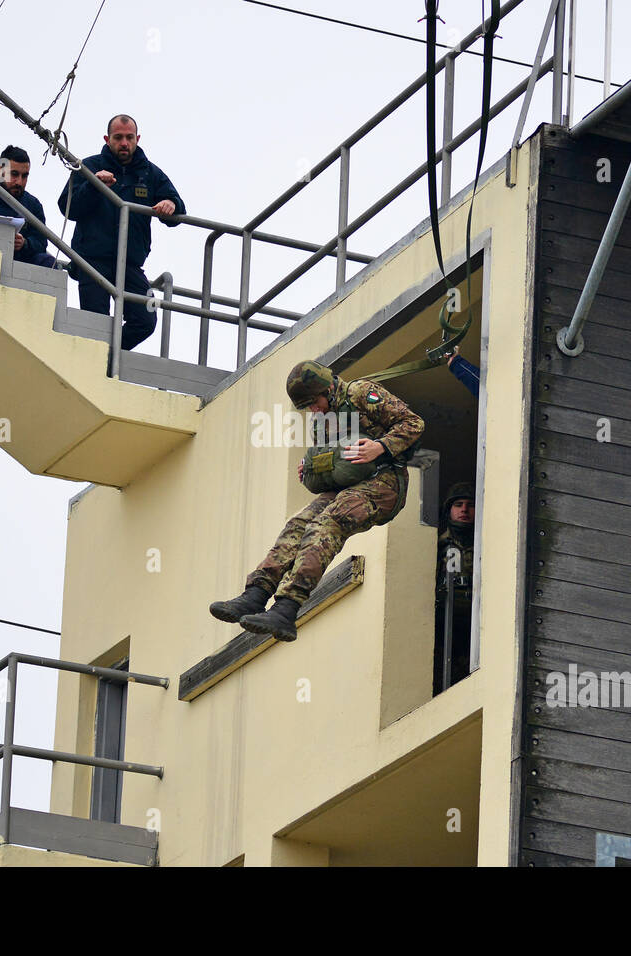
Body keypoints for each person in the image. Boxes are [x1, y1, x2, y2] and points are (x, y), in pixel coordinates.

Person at [209, 361, 425, 642]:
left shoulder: (362, 394)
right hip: (345, 486)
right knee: (298, 525)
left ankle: (287, 607)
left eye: (315, 402)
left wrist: (380, 446)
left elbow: (414, 423)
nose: (314, 409)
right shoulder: (321, 421)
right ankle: (256, 594)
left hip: (384, 483)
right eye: (307, 406)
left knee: (328, 523)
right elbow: (330, 457)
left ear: (328, 388)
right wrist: (310, 468)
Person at [58, 114, 186, 350]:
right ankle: (99, 359)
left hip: (130, 265)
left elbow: (178, 209)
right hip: (92, 261)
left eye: (129, 138)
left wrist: (171, 204)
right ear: (107, 139)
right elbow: (67, 207)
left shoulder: (150, 173)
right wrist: (93, 185)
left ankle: (107, 357)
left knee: (146, 319)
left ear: (137, 139)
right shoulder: (89, 166)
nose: (124, 143)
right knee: (95, 323)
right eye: (118, 138)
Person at [434, 481, 475, 693]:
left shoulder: (484, 544)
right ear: (449, 510)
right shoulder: (437, 545)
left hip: (473, 622)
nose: (464, 510)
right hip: (444, 621)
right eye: (458, 504)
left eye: (470, 505)